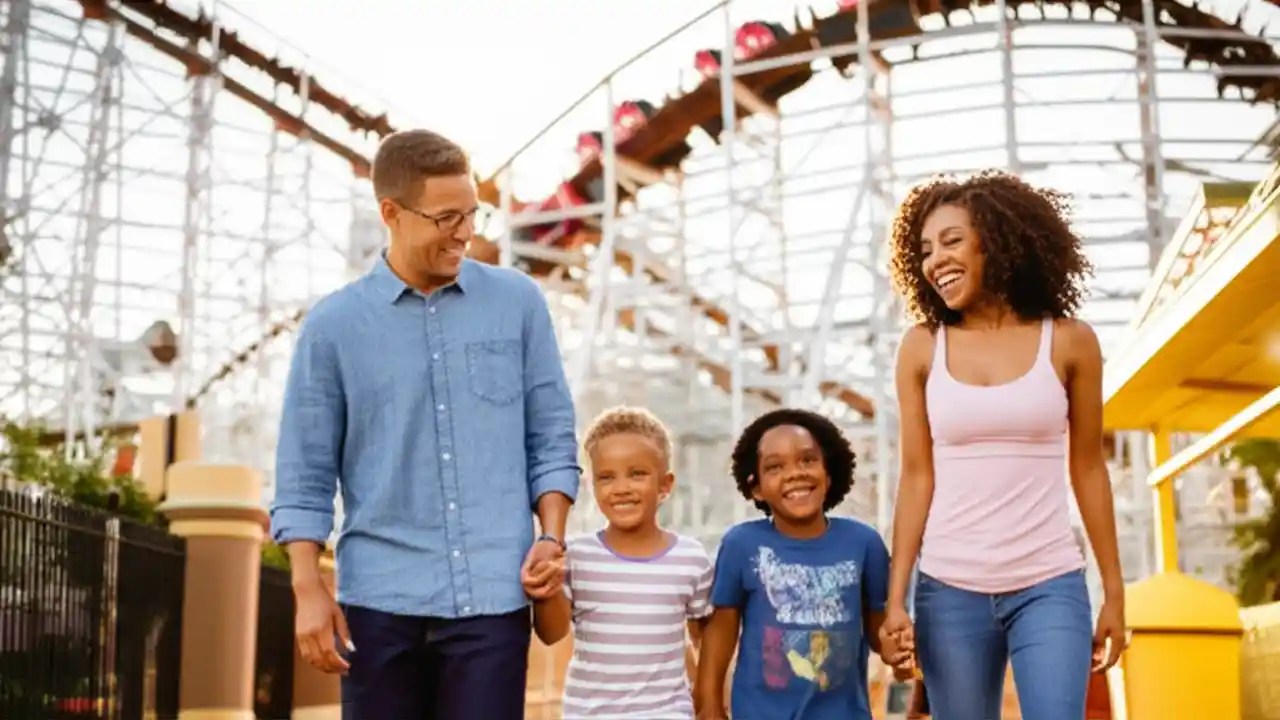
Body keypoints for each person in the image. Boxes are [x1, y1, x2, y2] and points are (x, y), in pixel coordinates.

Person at [269, 129, 580, 720]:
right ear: (391, 213)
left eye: (472, 213)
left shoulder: (518, 303)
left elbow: (551, 437)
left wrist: (551, 536)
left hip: (494, 595)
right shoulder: (333, 328)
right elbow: (304, 474)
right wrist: (308, 590)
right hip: (378, 603)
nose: (467, 232)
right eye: (447, 218)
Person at [880, 170, 1127, 719]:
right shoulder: (921, 348)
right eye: (923, 249)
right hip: (949, 588)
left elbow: (1088, 469)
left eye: (951, 241)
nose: (934, 260)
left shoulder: (1070, 341)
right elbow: (916, 476)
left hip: (1049, 581)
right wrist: (897, 599)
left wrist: (1114, 589)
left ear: (995, 239)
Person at [694, 408, 907, 720]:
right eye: (775, 467)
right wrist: (709, 706)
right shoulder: (741, 544)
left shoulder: (864, 542)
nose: (795, 473)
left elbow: (878, 628)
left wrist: (891, 650)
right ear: (756, 487)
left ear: (829, 471)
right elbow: (721, 630)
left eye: (808, 460)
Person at [531, 406, 713, 719]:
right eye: (606, 477)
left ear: (665, 485)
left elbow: (703, 639)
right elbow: (551, 634)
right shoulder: (575, 555)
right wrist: (549, 588)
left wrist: (709, 702)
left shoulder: (691, 559)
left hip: (668, 712)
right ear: (593, 487)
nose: (622, 488)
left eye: (637, 474)